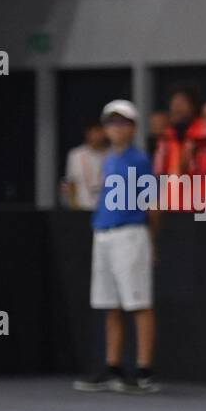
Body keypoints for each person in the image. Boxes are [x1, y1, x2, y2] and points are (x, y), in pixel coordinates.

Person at [72, 100, 161, 395]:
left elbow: (153, 203)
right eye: (111, 123)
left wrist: (151, 240)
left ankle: (144, 371)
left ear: (133, 128)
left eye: (122, 123)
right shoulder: (109, 159)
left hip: (131, 234)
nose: (115, 128)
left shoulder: (140, 160)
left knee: (138, 303)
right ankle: (113, 368)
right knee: (110, 303)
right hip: (104, 234)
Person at [154, 86, 206, 212]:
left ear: (193, 107)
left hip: (199, 206)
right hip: (172, 207)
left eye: (182, 103)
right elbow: (160, 172)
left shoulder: (204, 134)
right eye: (174, 104)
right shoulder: (166, 138)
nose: (177, 108)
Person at [60, 122, 108, 211]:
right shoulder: (76, 155)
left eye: (100, 132)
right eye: (94, 132)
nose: (97, 136)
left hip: (106, 209)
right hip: (82, 207)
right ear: (88, 134)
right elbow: (70, 182)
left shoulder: (112, 155)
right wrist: (74, 205)